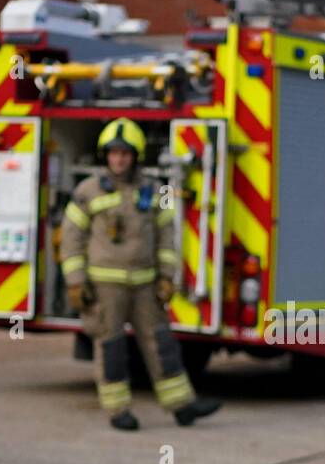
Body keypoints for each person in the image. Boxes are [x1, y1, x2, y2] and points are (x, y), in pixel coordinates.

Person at [60, 117, 220, 431]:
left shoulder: (153, 190)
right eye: (113, 153)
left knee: (161, 343)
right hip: (106, 286)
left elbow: (167, 237)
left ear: (136, 155)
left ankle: (182, 406)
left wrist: (166, 276)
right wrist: (76, 283)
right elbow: (70, 238)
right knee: (113, 347)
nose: (118, 159)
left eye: (125, 153)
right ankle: (118, 410)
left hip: (146, 284)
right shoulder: (88, 191)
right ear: (105, 155)